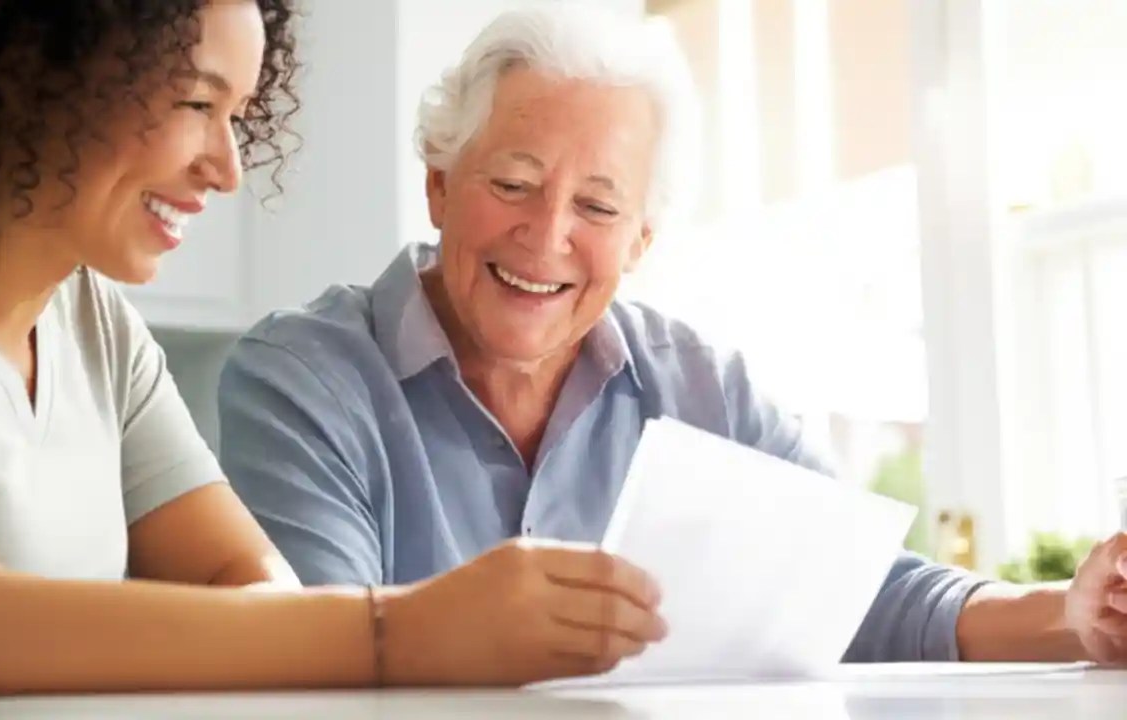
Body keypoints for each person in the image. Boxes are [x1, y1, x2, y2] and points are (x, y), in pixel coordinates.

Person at [218, 3, 1127, 668]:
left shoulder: (703, 389)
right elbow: (318, 654)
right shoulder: (304, 379)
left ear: (641, 241)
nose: (546, 236)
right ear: (440, 185)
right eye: (513, 183)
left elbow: (867, 594)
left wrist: (1075, 612)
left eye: (598, 206)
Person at [0, 2, 668, 718]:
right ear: (35, 71)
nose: (227, 168)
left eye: (238, 114)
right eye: (196, 103)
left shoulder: (97, 323)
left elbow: (246, 577)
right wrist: (402, 630)